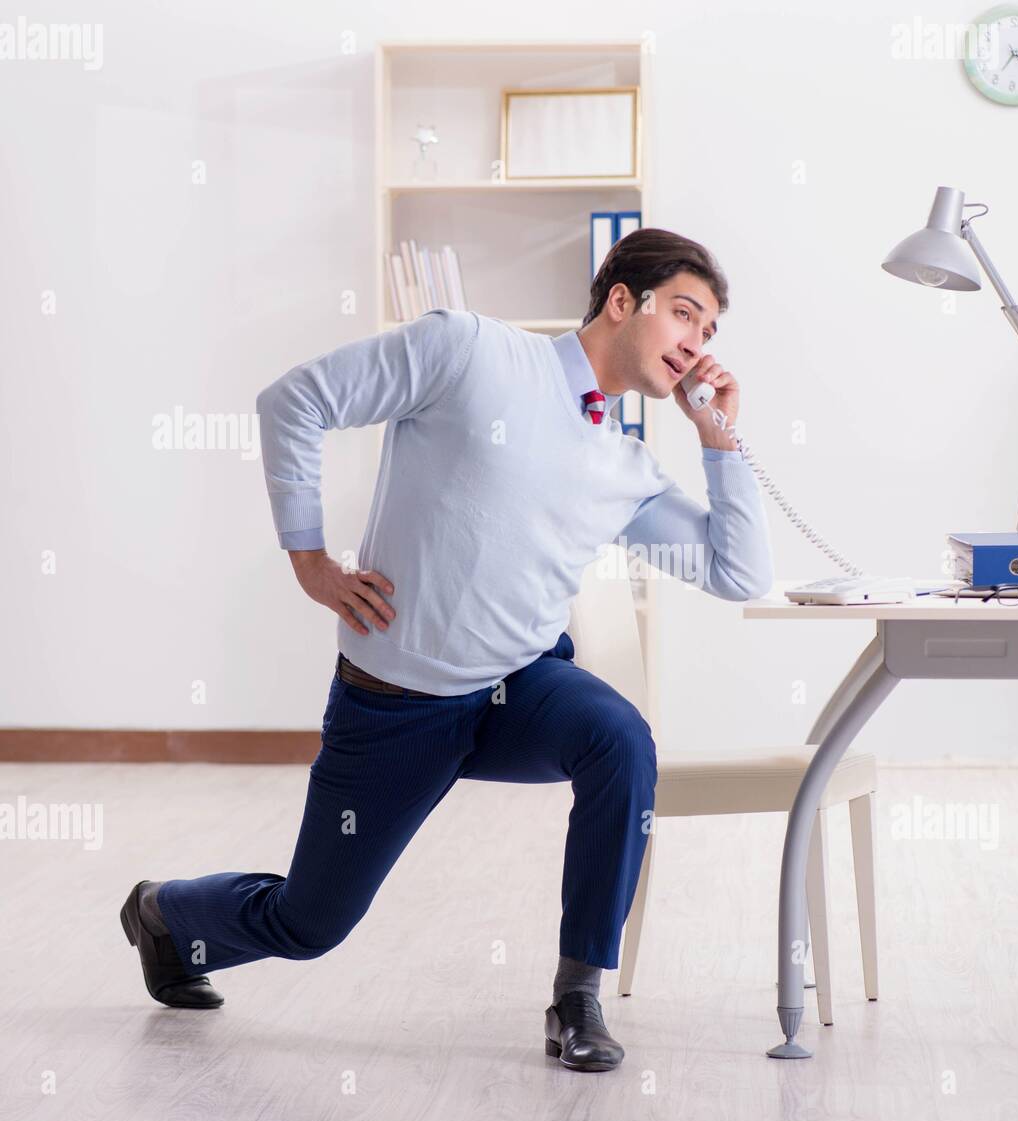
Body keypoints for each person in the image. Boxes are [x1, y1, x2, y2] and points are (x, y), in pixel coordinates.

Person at [120, 228, 774, 1072]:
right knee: (310, 924)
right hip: (396, 707)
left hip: (519, 692)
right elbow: (295, 400)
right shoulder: (468, 351)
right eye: (686, 314)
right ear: (622, 300)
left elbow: (739, 570)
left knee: (620, 739)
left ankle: (578, 996)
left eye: (710, 332)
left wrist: (719, 441)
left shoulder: (625, 466)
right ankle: (168, 918)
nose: (696, 343)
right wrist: (310, 560)